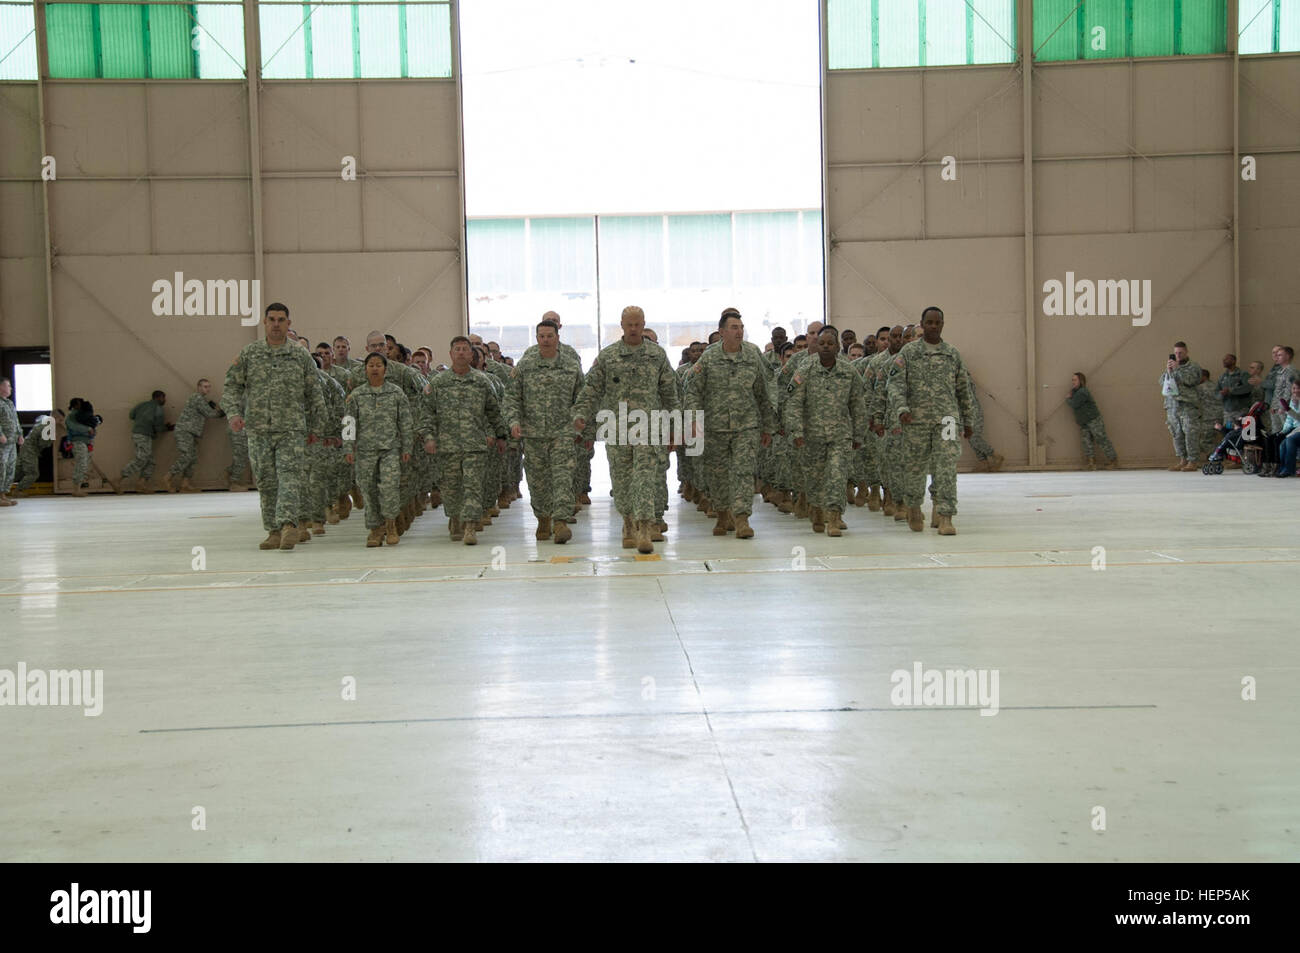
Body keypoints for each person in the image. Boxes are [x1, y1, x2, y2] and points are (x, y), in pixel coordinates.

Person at [221, 303, 329, 551]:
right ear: (265, 323)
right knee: (266, 481)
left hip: (291, 429)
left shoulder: (300, 355)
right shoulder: (250, 353)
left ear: (289, 324)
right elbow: (231, 386)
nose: (277, 324)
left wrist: (316, 428)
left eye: (281, 320)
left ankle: (288, 525)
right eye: (272, 319)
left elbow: (315, 393)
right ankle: (272, 530)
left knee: (289, 477)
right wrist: (234, 413)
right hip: (258, 429)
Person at [573, 305, 679, 554]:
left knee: (644, 477)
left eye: (637, 324)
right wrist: (580, 413)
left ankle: (644, 528)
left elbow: (670, 393)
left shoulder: (657, 355)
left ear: (643, 325)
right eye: (629, 324)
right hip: (616, 427)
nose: (633, 329)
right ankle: (628, 523)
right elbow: (592, 389)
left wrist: (675, 426)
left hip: (649, 427)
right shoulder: (608, 356)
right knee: (621, 480)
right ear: (621, 325)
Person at [684, 308, 775, 540]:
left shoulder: (753, 356)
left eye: (741, 328)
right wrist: (694, 420)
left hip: (747, 426)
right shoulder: (709, 357)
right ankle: (723, 514)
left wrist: (767, 427)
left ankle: (742, 518)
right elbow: (693, 389)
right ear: (722, 332)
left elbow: (764, 393)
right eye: (734, 328)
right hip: (716, 427)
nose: (739, 332)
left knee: (744, 472)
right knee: (718, 474)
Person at [887, 307, 974, 535]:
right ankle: (914, 507)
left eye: (937, 322)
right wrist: (902, 408)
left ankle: (945, 515)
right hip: (916, 420)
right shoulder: (908, 353)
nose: (934, 326)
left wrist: (968, 420)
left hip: (947, 420)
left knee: (946, 467)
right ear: (922, 324)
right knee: (915, 468)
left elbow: (963, 389)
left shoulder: (951, 354)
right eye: (929, 322)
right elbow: (895, 384)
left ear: (943, 324)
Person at [419, 336, 506, 545]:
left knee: (473, 486)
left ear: (471, 355)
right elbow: (427, 413)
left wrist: (500, 435)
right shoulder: (438, 383)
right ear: (450, 354)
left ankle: (469, 526)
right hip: (447, 446)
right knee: (451, 487)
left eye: (464, 350)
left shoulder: (482, 382)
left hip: (475, 445)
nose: (460, 353)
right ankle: (455, 517)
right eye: (456, 349)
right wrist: (429, 438)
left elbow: (494, 412)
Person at [505, 320, 585, 544]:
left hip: (563, 433)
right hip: (533, 434)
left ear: (557, 338)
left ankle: (560, 521)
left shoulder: (570, 366)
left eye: (550, 336)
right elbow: (512, 397)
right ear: (537, 338)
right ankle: (543, 518)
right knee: (538, 480)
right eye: (542, 336)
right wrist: (513, 422)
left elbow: (582, 398)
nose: (546, 340)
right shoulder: (525, 365)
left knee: (562, 477)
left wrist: (581, 421)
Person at [785, 327, 866, 536]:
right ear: (816, 346)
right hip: (812, 436)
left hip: (840, 434)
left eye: (831, 344)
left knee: (838, 475)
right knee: (815, 478)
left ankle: (835, 516)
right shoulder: (805, 369)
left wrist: (859, 434)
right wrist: (796, 432)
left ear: (838, 346)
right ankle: (817, 509)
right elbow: (794, 403)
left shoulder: (848, 371)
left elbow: (857, 404)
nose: (826, 347)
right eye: (822, 344)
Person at [344, 353, 413, 546]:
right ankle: (375, 529)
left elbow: (405, 422)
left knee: (390, 487)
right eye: (371, 365)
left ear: (385, 369)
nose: (375, 369)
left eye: (378, 365)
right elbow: (349, 423)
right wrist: (348, 447)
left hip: (390, 449)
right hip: (365, 451)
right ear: (365, 369)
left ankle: (390, 525)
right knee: (368, 489)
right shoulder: (357, 395)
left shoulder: (396, 393)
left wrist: (407, 446)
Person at [165, 379, 225, 492]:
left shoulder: (202, 399)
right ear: (198, 387)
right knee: (187, 456)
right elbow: (210, 413)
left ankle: (185, 484)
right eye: (205, 386)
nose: (207, 389)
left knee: (192, 459)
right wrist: (222, 412)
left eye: (209, 386)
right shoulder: (197, 398)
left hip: (191, 432)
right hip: (185, 431)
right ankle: (167, 477)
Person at [1161, 341, 1205, 470]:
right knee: (1177, 433)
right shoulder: (1172, 367)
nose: (1178, 355)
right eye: (1175, 353)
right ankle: (1182, 460)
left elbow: (1192, 380)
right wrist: (1168, 371)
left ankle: (1192, 461)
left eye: (1180, 353)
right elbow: (1161, 382)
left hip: (1188, 405)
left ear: (1186, 352)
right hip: (1173, 406)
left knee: (1190, 432)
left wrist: (1178, 369)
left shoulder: (1194, 367)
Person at [120, 390, 172, 492]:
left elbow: (131, 415)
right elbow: (158, 428)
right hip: (145, 435)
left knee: (150, 462)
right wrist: (167, 427)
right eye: (163, 397)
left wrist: (141, 421)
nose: (165, 400)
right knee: (142, 459)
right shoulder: (158, 409)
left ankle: (141, 484)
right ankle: (119, 478)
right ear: (157, 398)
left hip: (137, 433)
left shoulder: (141, 404)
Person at [1066, 373, 1118, 469]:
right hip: (1084, 421)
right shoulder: (1076, 392)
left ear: (1081, 381)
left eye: (1075, 380)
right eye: (1072, 380)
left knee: (1101, 439)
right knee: (1086, 442)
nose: (1073, 382)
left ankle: (1113, 461)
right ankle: (1091, 463)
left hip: (1093, 420)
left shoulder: (1082, 392)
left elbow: (1074, 404)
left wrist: (1068, 398)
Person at [13, 410, 63, 495]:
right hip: (31, 450)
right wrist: (52, 439)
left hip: (25, 447)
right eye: (60, 420)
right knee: (33, 474)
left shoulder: (43, 418)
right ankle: (18, 491)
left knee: (17, 472)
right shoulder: (49, 426)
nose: (60, 422)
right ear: (55, 418)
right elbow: (43, 443)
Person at [1218, 354, 1253, 425]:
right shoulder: (1222, 377)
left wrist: (1231, 391)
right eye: (1223, 359)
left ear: (1234, 361)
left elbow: (1248, 388)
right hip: (1228, 411)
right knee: (1228, 432)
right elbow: (1216, 391)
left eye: (1226, 359)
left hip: (1241, 410)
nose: (1224, 361)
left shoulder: (1243, 374)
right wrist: (1221, 394)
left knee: (1243, 433)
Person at [0, 378, 19, 506]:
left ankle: (3, 494)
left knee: (10, 468)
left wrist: (20, 434)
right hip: (2, 442)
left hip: (11, 442)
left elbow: (15, 420)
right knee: (1, 467)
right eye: (8, 385)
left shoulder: (9, 403)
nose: (10, 388)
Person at [1275, 381, 1300, 478]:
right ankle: (1283, 469)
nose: (1296, 391)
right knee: (1283, 443)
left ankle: (1288, 469)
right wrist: (1284, 430)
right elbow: (1290, 420)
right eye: (1294, 388)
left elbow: (1298, 417)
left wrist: (1288, 410)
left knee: (1290, 440)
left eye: (1298, 388)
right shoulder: (1293, 401)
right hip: (1297, 429)